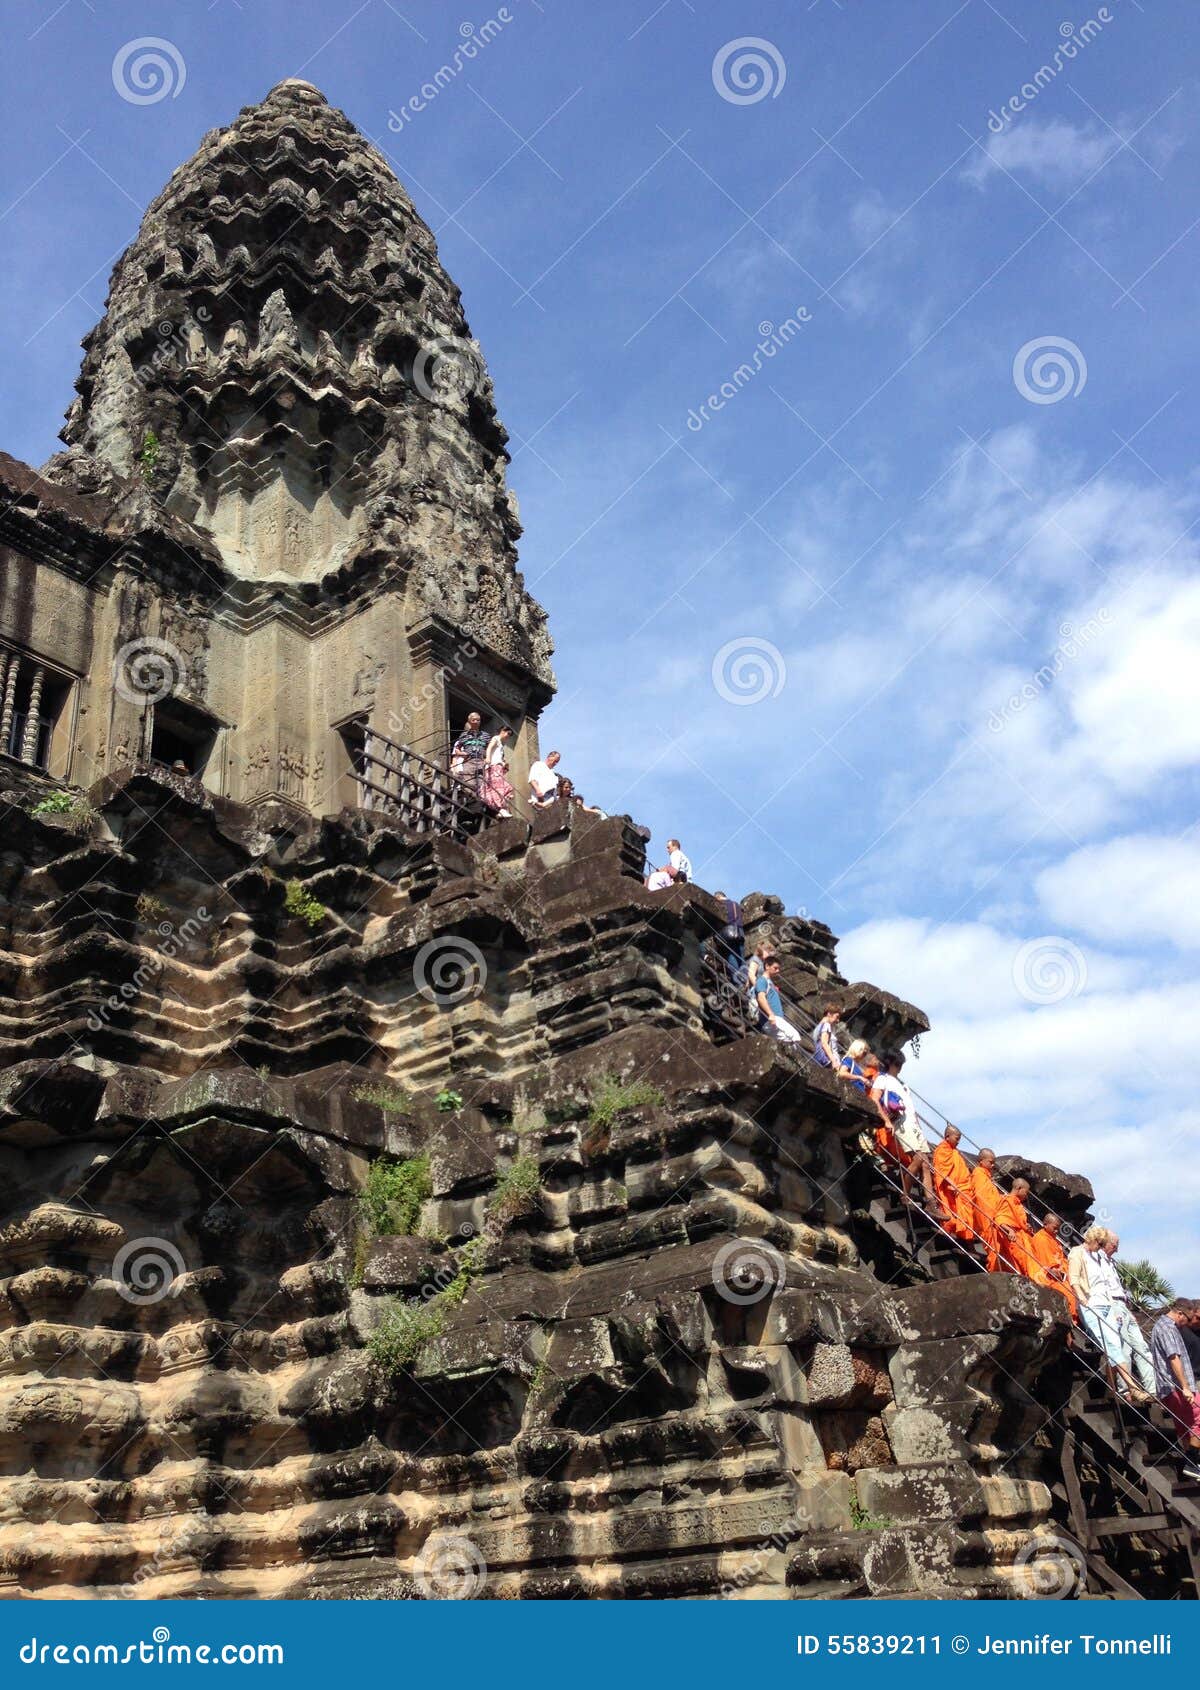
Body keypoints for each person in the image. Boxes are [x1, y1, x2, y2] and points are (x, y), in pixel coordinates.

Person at [1068, 1225, 1143, 1399]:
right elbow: (1074, 1279)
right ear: (1093, 1240)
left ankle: (1115, 1387)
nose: (1101, 1247)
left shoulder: (1097, 1257)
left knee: (1114, 1345)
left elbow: (1105, 1283)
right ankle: (1132, 1387)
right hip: (1091, 1304)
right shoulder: (1077, 1253)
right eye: (1100, 1244)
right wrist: (1083, 1299)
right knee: (1110, 1345)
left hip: (1107, 1304)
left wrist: (1114, 1307)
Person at [870, 1054, 935, 1209]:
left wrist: (919, 1127)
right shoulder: (882, 1079)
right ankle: (904, 1194)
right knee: (918, 1158)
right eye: (899, 1064)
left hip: (913, 1124)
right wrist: (886, 1120)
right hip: (901, 1123)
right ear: (893, 1063)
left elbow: (912, 1110)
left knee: (925, 1163)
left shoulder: (902, 1084)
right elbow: (874, 1098)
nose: (901, 1067)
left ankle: (931, 1203)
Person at [1100, 1232, 1155, 1397]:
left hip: (1123, 1304)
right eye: (1114, 1245)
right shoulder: (1098, 1259)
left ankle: (1152, 1389)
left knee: (1142, 1347)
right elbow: (1102, 1286)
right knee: (1124, 1347)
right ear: (1106, 1243)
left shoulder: (1111, 1263)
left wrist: (1128, 1310)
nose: (1116, 1250)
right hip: (1113, 1304)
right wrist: (1111, 1307)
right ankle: (1126, 1390)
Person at [1150, 1301, 1200, 1479]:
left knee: (1185, 1427)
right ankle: (1192, 1462)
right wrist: (1185, 1387)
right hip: (1175, 1387)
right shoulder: (1167, 1328)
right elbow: (1173, 1358)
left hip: (1171, 1388)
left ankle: (1191, 1467)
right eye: (1186, 1319)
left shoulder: (1164, 1327)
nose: (1186, 1323)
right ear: (1179, 1313)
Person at [1029, 1213, 1079, 1322]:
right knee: (1068, 1294)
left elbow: (1061, 1260)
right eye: (1054, 1228)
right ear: (1045, 1224)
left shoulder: (1054, 1240)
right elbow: (1049, 1266)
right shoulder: (1041, 1239)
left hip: (1061, 1275)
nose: (1057, 1232)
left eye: (1058, 1229)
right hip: (1048, 1277)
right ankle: (1071, 1322)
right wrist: (1062, 1273)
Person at [931, 1125, 974, 1243]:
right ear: (947, 1137)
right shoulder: (942, 1150)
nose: (959, 1142)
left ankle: (966, 1241)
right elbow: (941, 1171)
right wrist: (953, 1184)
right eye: (957, 1138)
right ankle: (949, 1234)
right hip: (951, 1188)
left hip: (963, 1188)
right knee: (954, 1216)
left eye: (960, 1139)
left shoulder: (955, 1152)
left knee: (966, 1217)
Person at [754, 957, 803, 1044]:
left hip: (776, 1018)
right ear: (767, 966)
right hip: (771, 1019)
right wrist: (770, 1014)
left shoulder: (769, 982)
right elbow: (761, 998)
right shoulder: (762, 981)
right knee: (794, 1037)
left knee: (790, 1040)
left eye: (778, 968)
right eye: (775, 968)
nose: (778, 971)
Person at [993, 1178, 1037, 1277]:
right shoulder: (1007, 1201)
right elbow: (999, 1218)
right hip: (1014, 1239)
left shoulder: (1017, 1203)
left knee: (1029, 1265)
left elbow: (1018, 1221)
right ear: (1019, 1188)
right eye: (1026, 1192)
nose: (1026, 1195)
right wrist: (1009, 1230)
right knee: (1023, 1264)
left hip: (1022, 1238)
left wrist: (1026, 1226)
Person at [970, 1148, 1004, 1273]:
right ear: (981, 1161)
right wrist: (993, 1216)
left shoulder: (985, 1176)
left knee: (998, 1249)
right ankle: (994, 1273)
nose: (993, 1165)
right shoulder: (979, 1174)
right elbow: (981, 1199)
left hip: (993, 1216)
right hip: (988, 1218)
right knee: (994, 1249)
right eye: (991, 1162)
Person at [449, 711, 489, 795]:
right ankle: (472, 799)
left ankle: (480, 800)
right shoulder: (464, 735)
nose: (476, 722)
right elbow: (457, 748)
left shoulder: (486, 735)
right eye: (474, 720)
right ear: (470, 721)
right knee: (469, 783)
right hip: (469, 761)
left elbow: (490, 748)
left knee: (482, 784)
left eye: (478, 720)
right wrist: (462, 754)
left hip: (481, 761)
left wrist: (487, 757)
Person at [712, 892, 747, 987]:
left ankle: (739, 983)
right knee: (741, 958)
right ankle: (746, 981)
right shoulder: (735, 904)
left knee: (731, 956)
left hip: (727, 933)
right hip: (739, 932)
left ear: (718, 897)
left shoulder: (721, 905)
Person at [480, 726, 515, 816]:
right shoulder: (496, 738)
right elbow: (489, 748)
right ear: (503, 731)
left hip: (498, 767)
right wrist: (488, 758)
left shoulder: (501, 745)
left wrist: (504, 765)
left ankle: (501, 808)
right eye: (508, 733)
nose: (508, 736)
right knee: (497, 787)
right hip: (494, 766)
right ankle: (500, 808)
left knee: (505, 787)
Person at [811, 1002, 842, 1069]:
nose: (838, 1020)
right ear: (829, 1014)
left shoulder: (818, 1027)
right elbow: (824, 1043)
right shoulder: (826, 1025)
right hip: (830, 1062)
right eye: (837, 1017)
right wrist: (834, 1061)